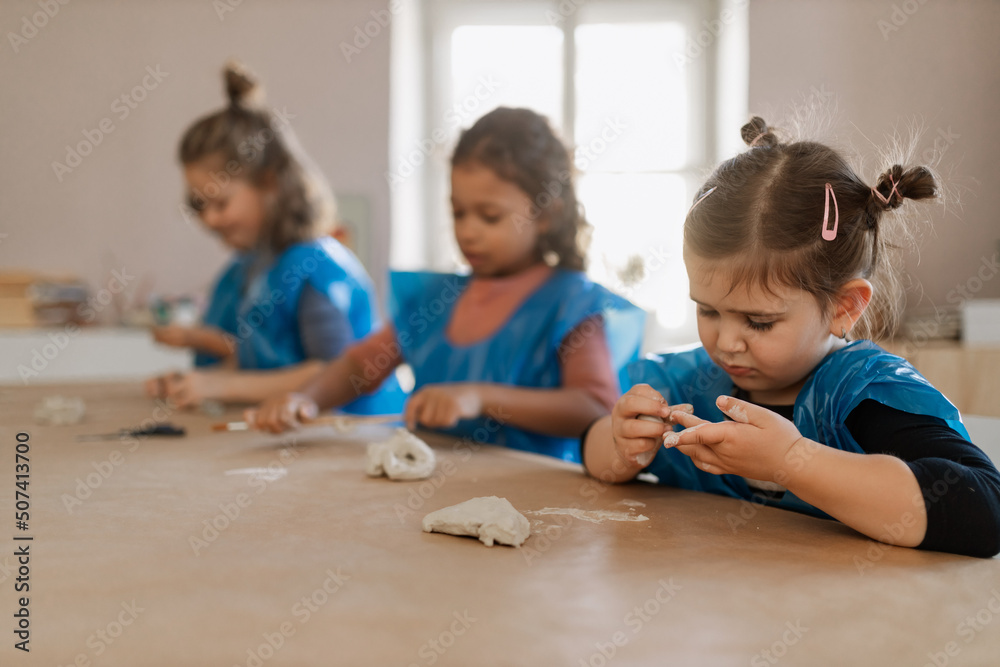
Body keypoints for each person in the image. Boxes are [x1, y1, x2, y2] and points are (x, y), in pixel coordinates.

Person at [583, 117, 1000, 557]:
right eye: (707, 310)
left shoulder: (862, 395)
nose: (726, 342)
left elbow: (984, 513)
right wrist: (620, 446)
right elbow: (586, 444)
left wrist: (790, 462)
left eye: (759, 322)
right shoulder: (686, 382)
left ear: (844, 307)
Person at [248, 107, 645, 462]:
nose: (467, 231)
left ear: (546, 215)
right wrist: (307, 399)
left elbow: (594, 407)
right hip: (431, 500)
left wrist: (479, 397)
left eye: (489, 217)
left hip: (535, 512)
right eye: (458, 213)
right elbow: (359, 365)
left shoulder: (571, 302)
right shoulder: (435, 299)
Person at [145, 61, 404, 414]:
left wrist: (219, 385)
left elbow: (332, 372)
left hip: (355, 441)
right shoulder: (248, 268)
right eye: (198, 205)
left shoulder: (316, 267)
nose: (209, 219)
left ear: (269, 184)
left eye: (221, 202)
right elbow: (266, 359)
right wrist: (189, 382)